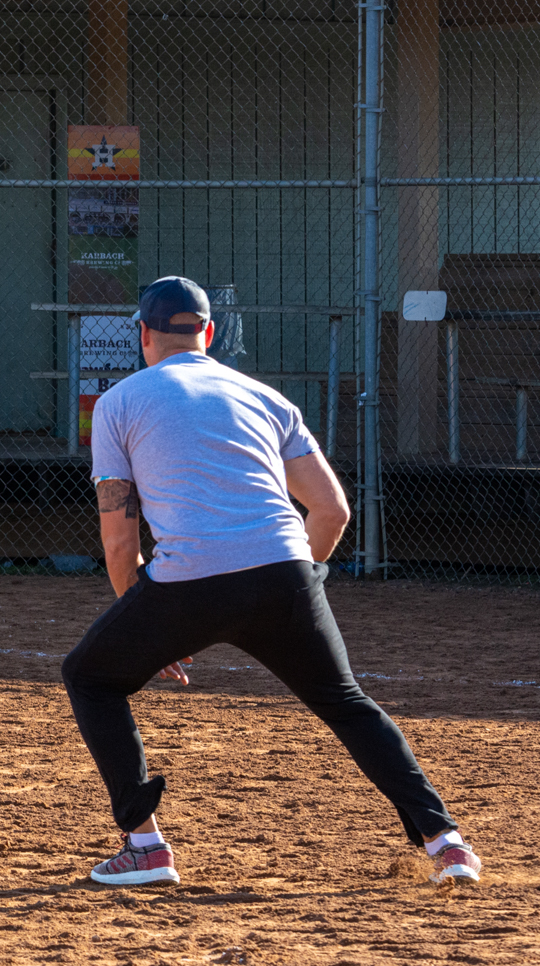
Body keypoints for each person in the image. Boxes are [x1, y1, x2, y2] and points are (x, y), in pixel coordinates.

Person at [62, 275, 481, 887]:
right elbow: (332, 511)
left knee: (90, 676)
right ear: (208, 333)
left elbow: (120, 539)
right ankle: (446, 843)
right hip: (284, 571)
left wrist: (148, 626)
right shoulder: (265, 398)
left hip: (189, 581)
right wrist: (300, 583)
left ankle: (145, 847)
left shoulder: (119, 403)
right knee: (345, 702)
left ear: (144, 336)